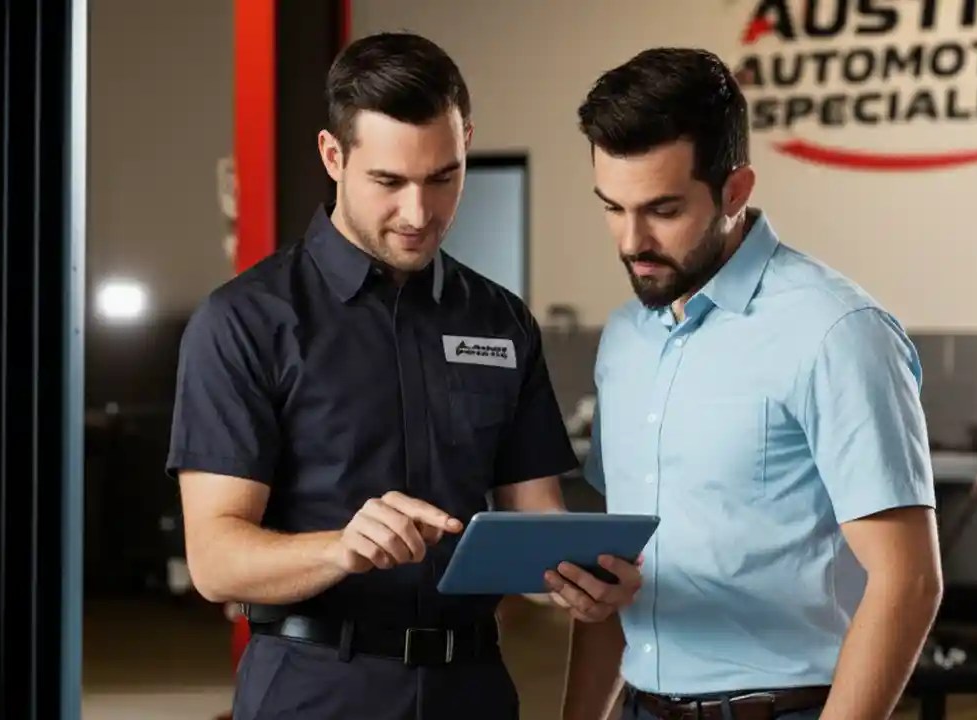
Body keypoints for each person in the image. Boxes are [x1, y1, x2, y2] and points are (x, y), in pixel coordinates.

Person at [166, 32, 642, 720]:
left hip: (473, 691)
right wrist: (341, 548)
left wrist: (576, 582)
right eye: (388, 183)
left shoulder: (500, 322)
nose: (419, 214)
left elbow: (536, 516)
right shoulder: (244, 322)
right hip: (316, 691)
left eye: (443, 177)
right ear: (334, 156)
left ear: (466, 144)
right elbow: (214, 561)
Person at [561, 48, 943, 720]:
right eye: (612, 208)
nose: (631, 240)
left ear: (735, 191)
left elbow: (908, 580)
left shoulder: (836, 332)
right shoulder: (626, 338)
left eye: (663, 210)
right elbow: (611, 572)